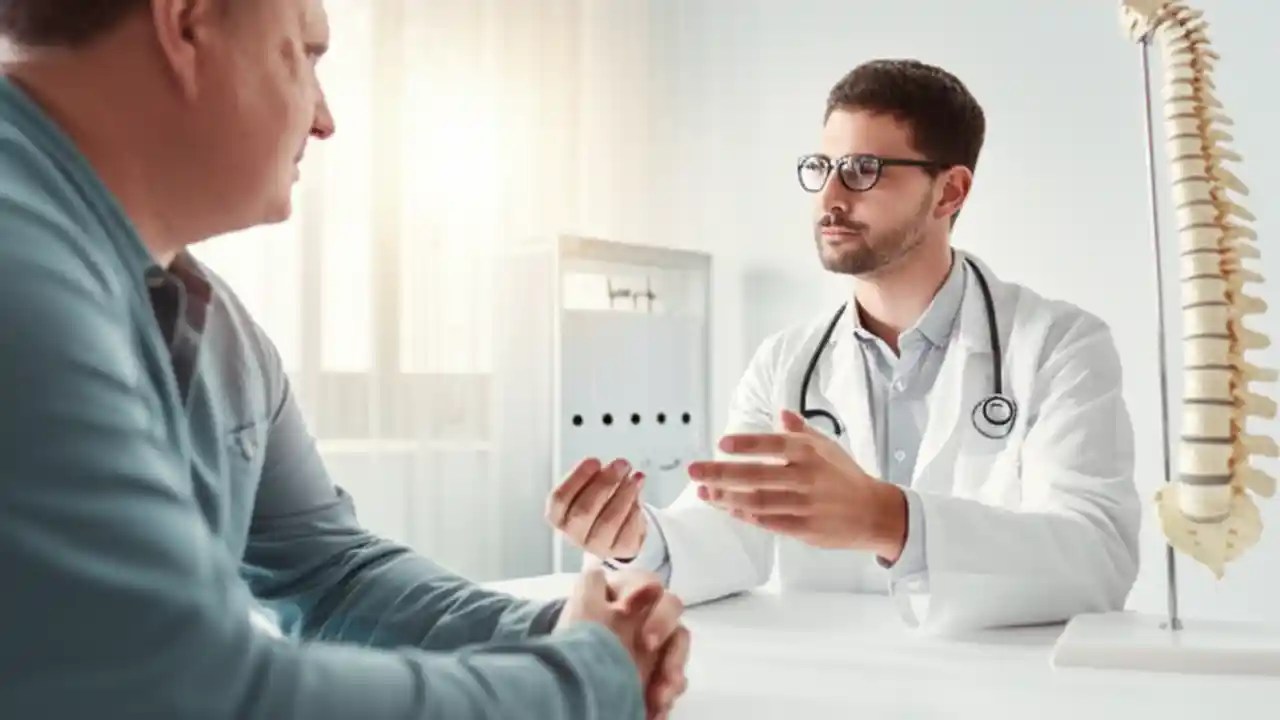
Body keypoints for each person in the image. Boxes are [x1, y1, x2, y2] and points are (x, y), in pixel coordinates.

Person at [0, 1, 689, 718]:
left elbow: (332, 577)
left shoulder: (216, 331)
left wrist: (556, 633)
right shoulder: (18, 276)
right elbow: (184, 688)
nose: (323, 118)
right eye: (302, 53)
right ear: (187, 23)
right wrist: (584, 680)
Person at [549, 58, 1142, 635]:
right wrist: (635, 541)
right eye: (822, 167)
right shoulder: (787, 364)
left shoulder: (1058, 346)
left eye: (863, 169)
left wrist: (888, 519)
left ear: (949, 192)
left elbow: (1096, 555)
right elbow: (731, 532)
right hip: (836, 689)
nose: (830, 196)